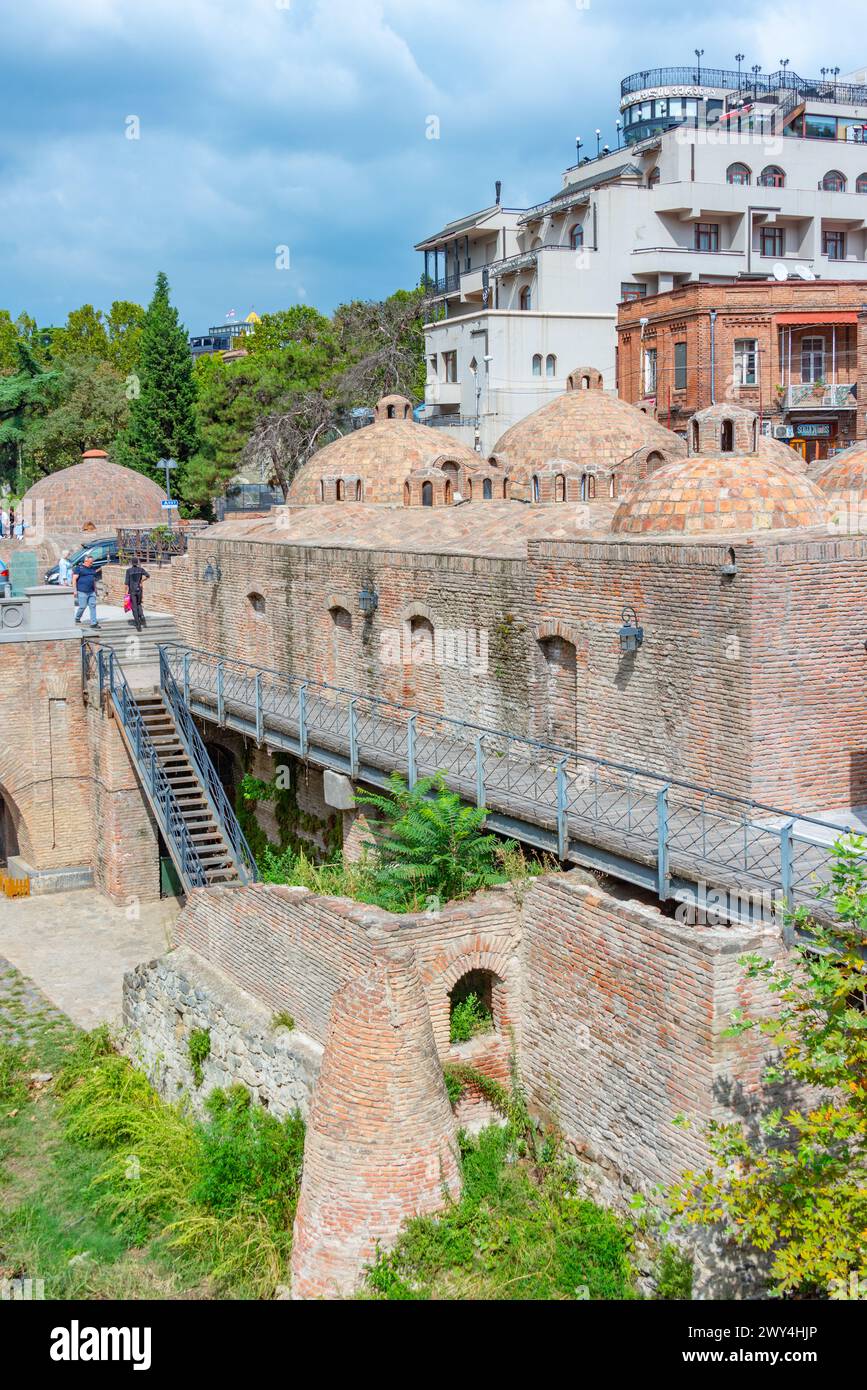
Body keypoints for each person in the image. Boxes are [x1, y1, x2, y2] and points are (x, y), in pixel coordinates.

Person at [72, 554, 102, 629]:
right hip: (82, 591)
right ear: (86, 561)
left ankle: (93, 623)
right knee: (82, 606)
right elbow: (74, 579)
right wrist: (74, 590)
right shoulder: (79, 568)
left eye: (92, 562)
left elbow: (93, 580)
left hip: (91, 591)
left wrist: (95, 590)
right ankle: (77, 618)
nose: (92, 564)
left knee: (93, 606)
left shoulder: (92, 568)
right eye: (90, 562)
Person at [124, 559, 150, 632]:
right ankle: (142, 616)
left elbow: (126, 583)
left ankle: (138, 625)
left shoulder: (128, 571)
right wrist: (141, 581)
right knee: (139, 604)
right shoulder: (141, 569)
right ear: (137, 563)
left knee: (134, 607)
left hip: (132, 591)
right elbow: (148, 576)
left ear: (131, 563)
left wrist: (125, 593)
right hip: (139, 590)